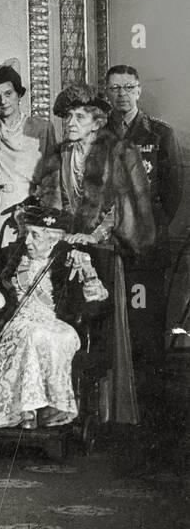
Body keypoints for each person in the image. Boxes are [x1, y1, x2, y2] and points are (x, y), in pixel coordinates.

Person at [35, 83, 154, 426]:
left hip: (102, 250)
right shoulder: (59, 154)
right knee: (68, 325)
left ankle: (102, 412)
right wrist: (62, 236)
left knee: (101, 328)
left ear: (97, 121)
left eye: (79, 116)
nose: (71, 121)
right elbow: (50, 202)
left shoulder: (119, 151)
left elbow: (123, 207)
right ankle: (64, 405)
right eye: (68, 116)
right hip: (65, 251)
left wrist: (91, 235)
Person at [0, 203, 96, 432]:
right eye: (27, 233)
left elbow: (96, 300)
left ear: (52, 239)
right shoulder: (10, 257)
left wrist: (86, 269)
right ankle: (27, 410)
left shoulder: (67, 259)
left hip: (55, 323)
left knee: (57, 336)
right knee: (33, 335)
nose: (27, 240)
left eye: (35, 235)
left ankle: (52, 407)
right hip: (16, 321)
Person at [105, 63, 183, 432]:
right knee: (115, 330)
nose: (121, 94)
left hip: (147, 254)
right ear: (108, 93)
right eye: (115, 88)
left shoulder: (159, 134)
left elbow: (172, 192)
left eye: (128, 87)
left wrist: (146, 232)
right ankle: (119, 415)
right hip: (111, 249)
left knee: (147, 329)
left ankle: (151, 416)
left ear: (138, 91)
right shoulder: (100, 134)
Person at [0, 61, 56, 245]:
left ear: (19, 94)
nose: (3, 101)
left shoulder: (42, 128)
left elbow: (52, 178)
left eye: (8, 94)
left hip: (32, 210)